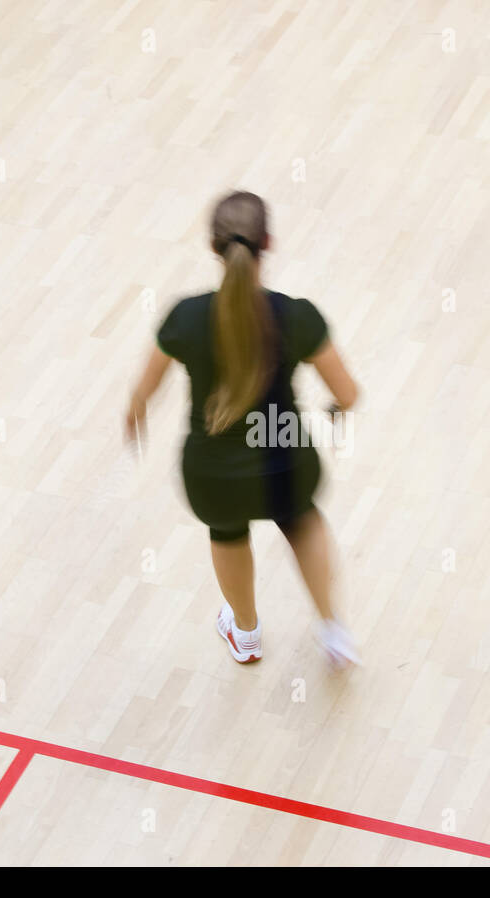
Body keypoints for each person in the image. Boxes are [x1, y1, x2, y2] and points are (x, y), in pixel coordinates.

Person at [124, 190, 362, 666]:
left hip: (213, 474)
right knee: (302, 520)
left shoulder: (186, 317)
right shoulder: (296, 315)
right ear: (268, 242)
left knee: (226, 530)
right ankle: (333, 631)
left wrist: (134, 419)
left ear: (214, 248)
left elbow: (143, 391)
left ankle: (246, 634)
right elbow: (348, 393)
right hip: (285, 459)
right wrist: (334, 411)